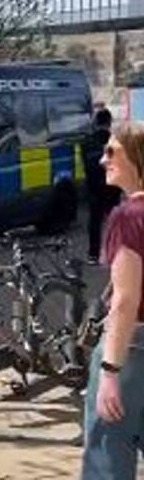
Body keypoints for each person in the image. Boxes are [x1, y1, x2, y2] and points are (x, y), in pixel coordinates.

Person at [81, 123, 144, 479]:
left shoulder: (127, 217)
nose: (102, 160)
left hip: (132, 351)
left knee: (107, 453)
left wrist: (109, 372)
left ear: (136, 158)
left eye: (111, 152)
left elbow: (125, 299)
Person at [85, 108, 121, 264]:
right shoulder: (115, 141)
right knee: (114, 221)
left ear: (96, 122)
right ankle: (115, 252)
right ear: (109, 122)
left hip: (94, 188)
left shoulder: (87, 142)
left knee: (95, 222)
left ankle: (93, 254)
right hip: (112, 188)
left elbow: (86, 165)